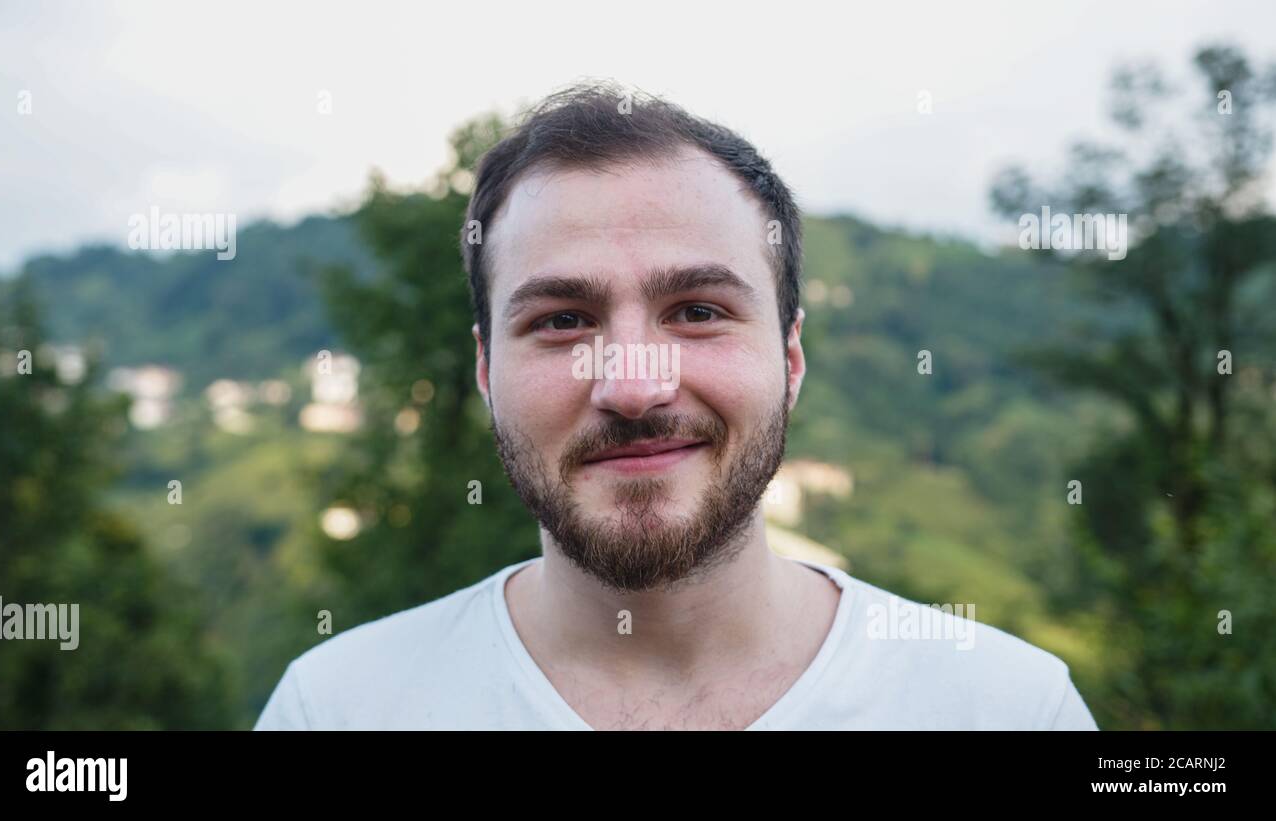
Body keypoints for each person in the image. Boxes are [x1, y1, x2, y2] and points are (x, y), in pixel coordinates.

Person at [256, 81, 1098, 730]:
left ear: (791, 355)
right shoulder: (337, 709)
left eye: (698, 311)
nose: (633, 384)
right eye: (561, 321)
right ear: (484, 371)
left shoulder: (1009, 710)